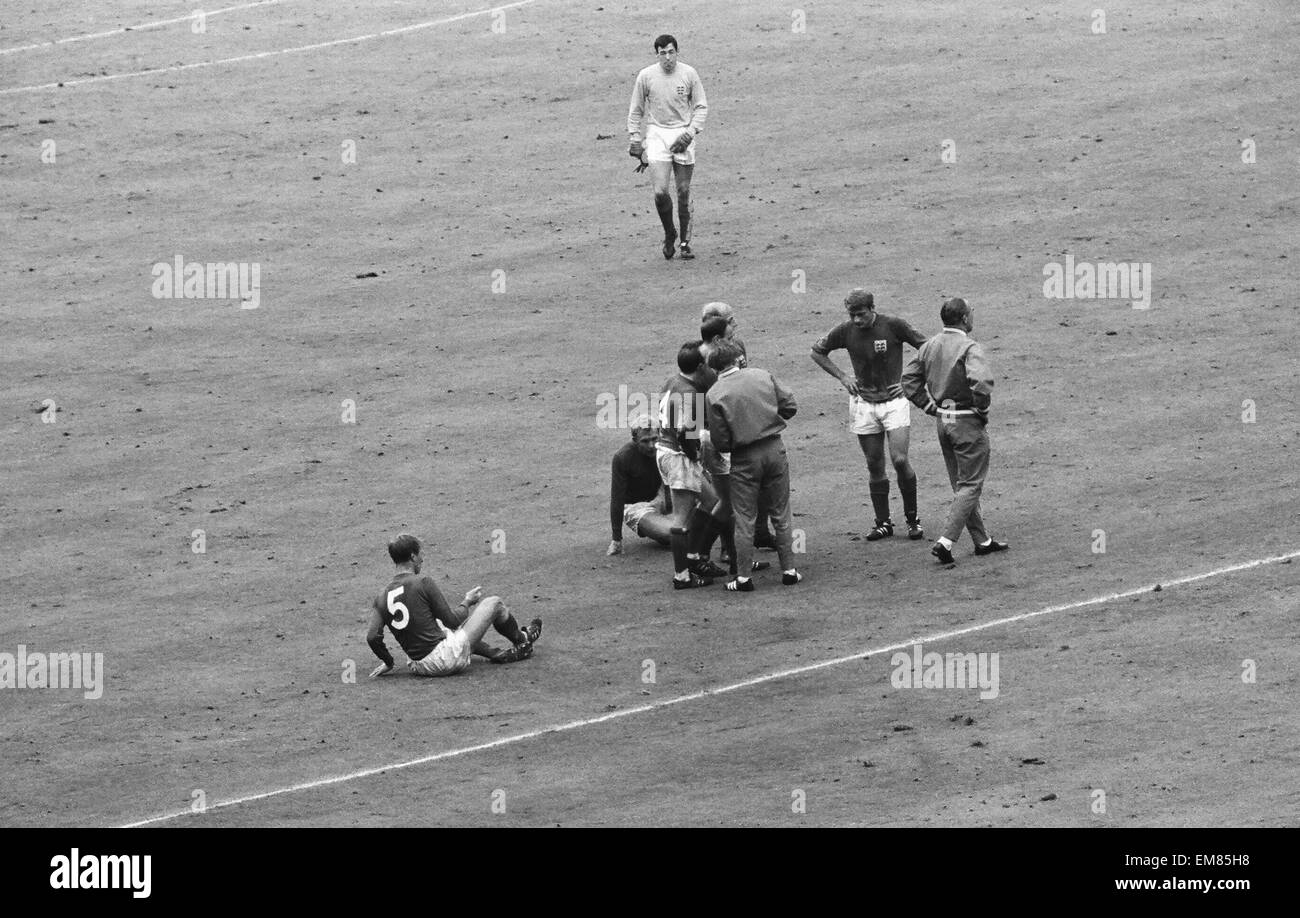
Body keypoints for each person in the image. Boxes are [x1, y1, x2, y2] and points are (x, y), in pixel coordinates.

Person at [811, 288, 928, 543]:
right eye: (852, 315)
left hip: (894, 402)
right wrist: (843, 377)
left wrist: (909, 380)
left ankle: (912, 520)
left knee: (899, 459)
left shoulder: (894, 325)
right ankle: (883, 523)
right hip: (863, 404)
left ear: (872, 308)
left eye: (860, 314)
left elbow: (928, 347)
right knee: (874, 464)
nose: (856, 320)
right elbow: (817, 352)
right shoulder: (845, 331)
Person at [900, 298, 1008, 565]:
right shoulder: (969, 347)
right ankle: (946, 541)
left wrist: (928, 406)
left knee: (961, 485)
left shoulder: (930, 345)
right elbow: (981, 384)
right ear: (963, 318)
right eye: (971, 313)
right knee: (971, 485)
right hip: (966, 421)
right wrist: (981, 411)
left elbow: (908, 380)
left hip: (944, 420)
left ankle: (982, 541)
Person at [367, 534, 541, 678]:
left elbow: (372, 637)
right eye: (420, 555)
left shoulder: (381, 596)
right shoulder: (422, 582)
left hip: (416, 665)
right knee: (494, 603)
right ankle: (523, 641)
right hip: (442, 660)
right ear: (412, 556)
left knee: (439, 625)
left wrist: (388, 662)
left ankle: (496, 653)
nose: (422, 559)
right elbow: (452, 620)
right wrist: (467, 602)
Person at [705, 339, 803, 592]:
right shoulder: (762, 375)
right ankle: (789, 570)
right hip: (774, 448)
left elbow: (721, 441)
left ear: (714, 368)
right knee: (781, 513)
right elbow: (790, 406)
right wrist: (769, 420)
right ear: (737, 359)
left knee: (745, 518)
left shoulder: (715, 393)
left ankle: (744, 577)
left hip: (744, 458)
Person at [627, 34, 708, 260]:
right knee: (660, 192)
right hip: (657, 135)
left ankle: (684, 243)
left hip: (683, 133)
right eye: (663, 53)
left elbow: (701, 107)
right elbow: (636, 109)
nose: (667, 58)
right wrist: (635, 138)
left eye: (671, 52)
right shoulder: (646, 76)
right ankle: (669, 232)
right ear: (657, 55)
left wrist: (690, 133)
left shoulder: (689, 74)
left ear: (677, 52)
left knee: (683, 191)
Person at [657, 341, 726, 588]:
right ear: (699, 366)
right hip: (678, 458)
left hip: (666, 451)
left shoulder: (671, 382)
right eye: (708, 364)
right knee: (681, 519)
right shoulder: (691, 394)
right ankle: (682, 576)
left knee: (713, 502)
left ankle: (694, 557)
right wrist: (694, 454)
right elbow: (686, 429)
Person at [607, 414, 672, 554]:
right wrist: (616, 539)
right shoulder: (622, 457)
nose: (651, 446)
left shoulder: (667, 448)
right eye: (645, 441)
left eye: (655, 439)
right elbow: (617, 499)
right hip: (638, 507)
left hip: (665, 496)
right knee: (672, 534)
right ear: (635, 440)